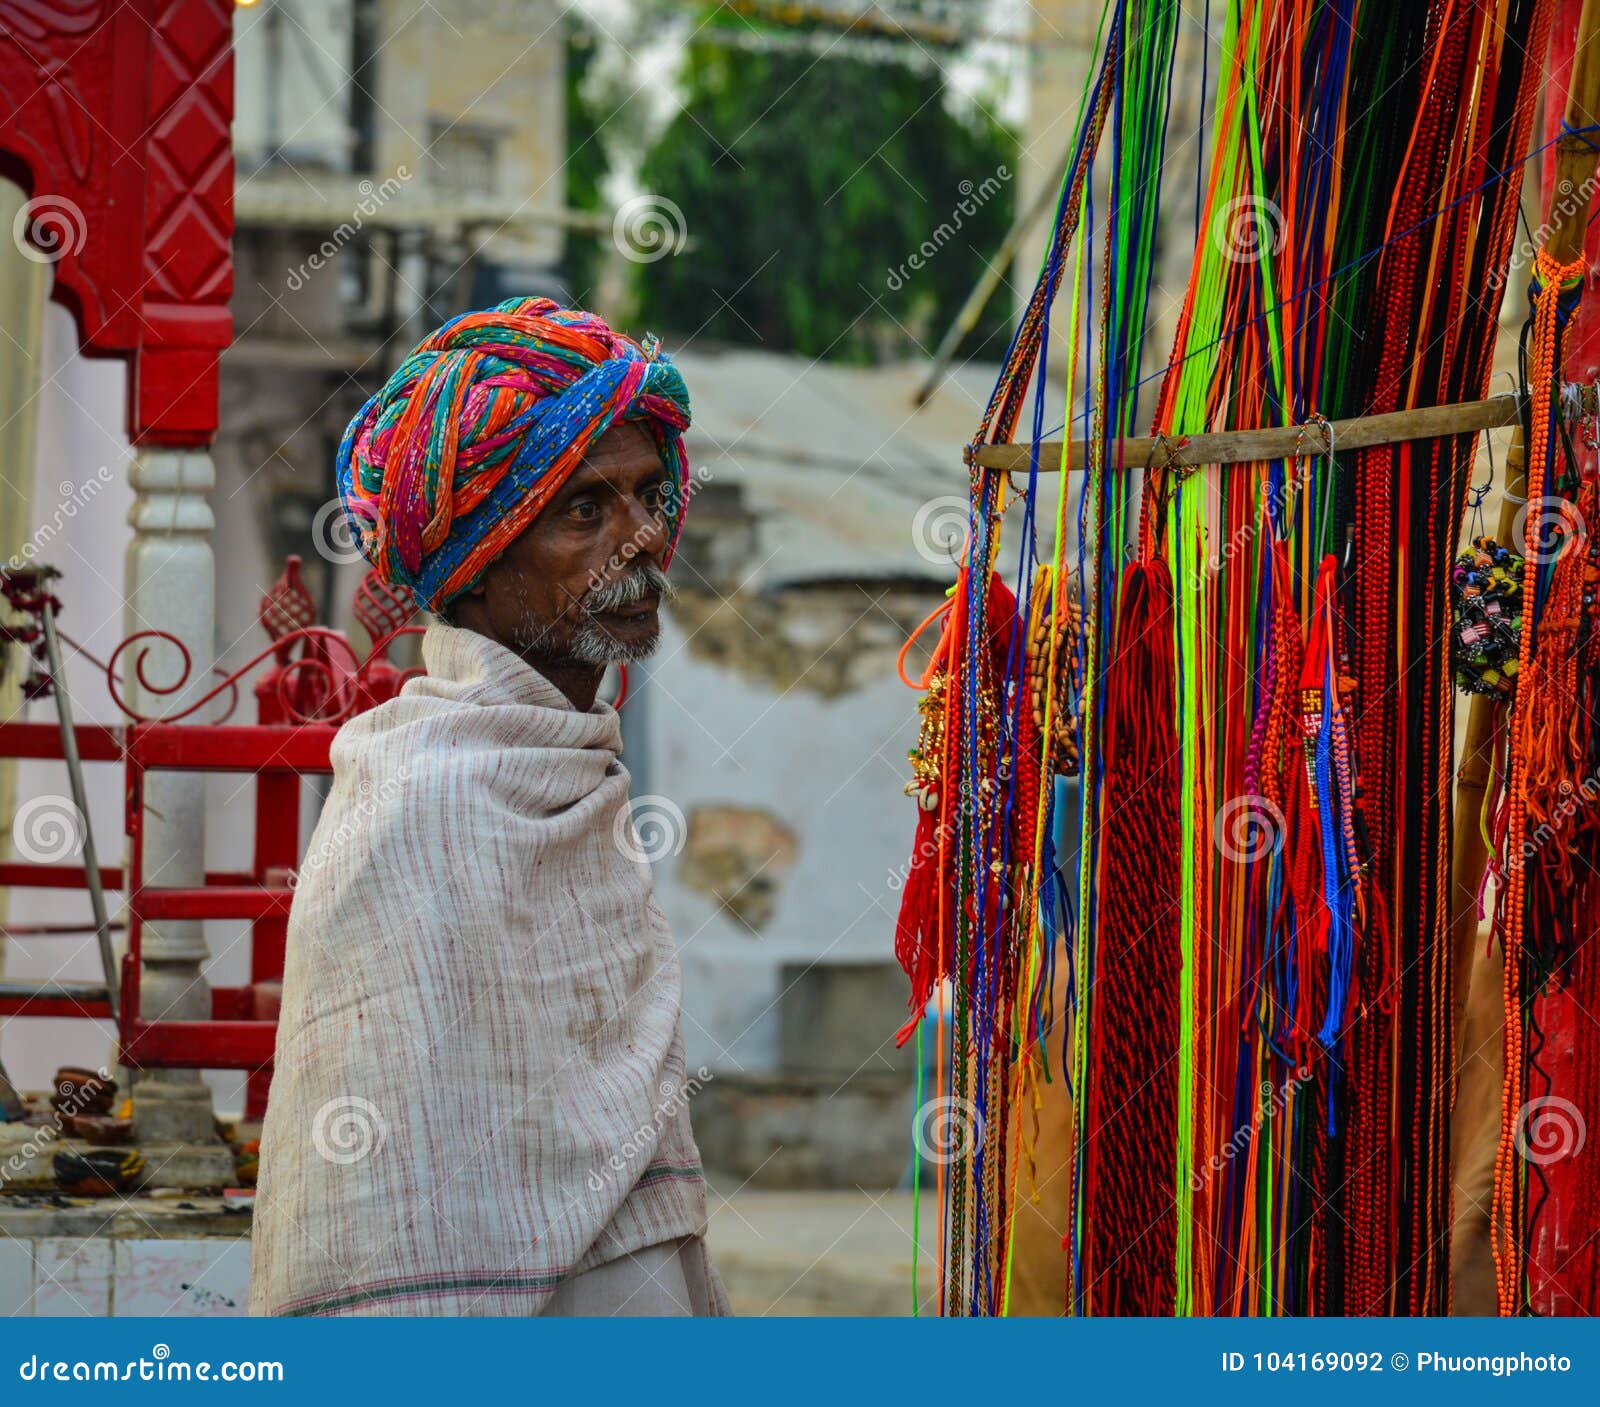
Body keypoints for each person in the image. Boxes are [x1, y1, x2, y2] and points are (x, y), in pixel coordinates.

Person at [250, 297, 726, 1317]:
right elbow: (369, 1212)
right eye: (583, 511)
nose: (643, 539)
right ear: (475, 567)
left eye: (649, 496)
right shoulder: (413, 805)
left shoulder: (578, 774)